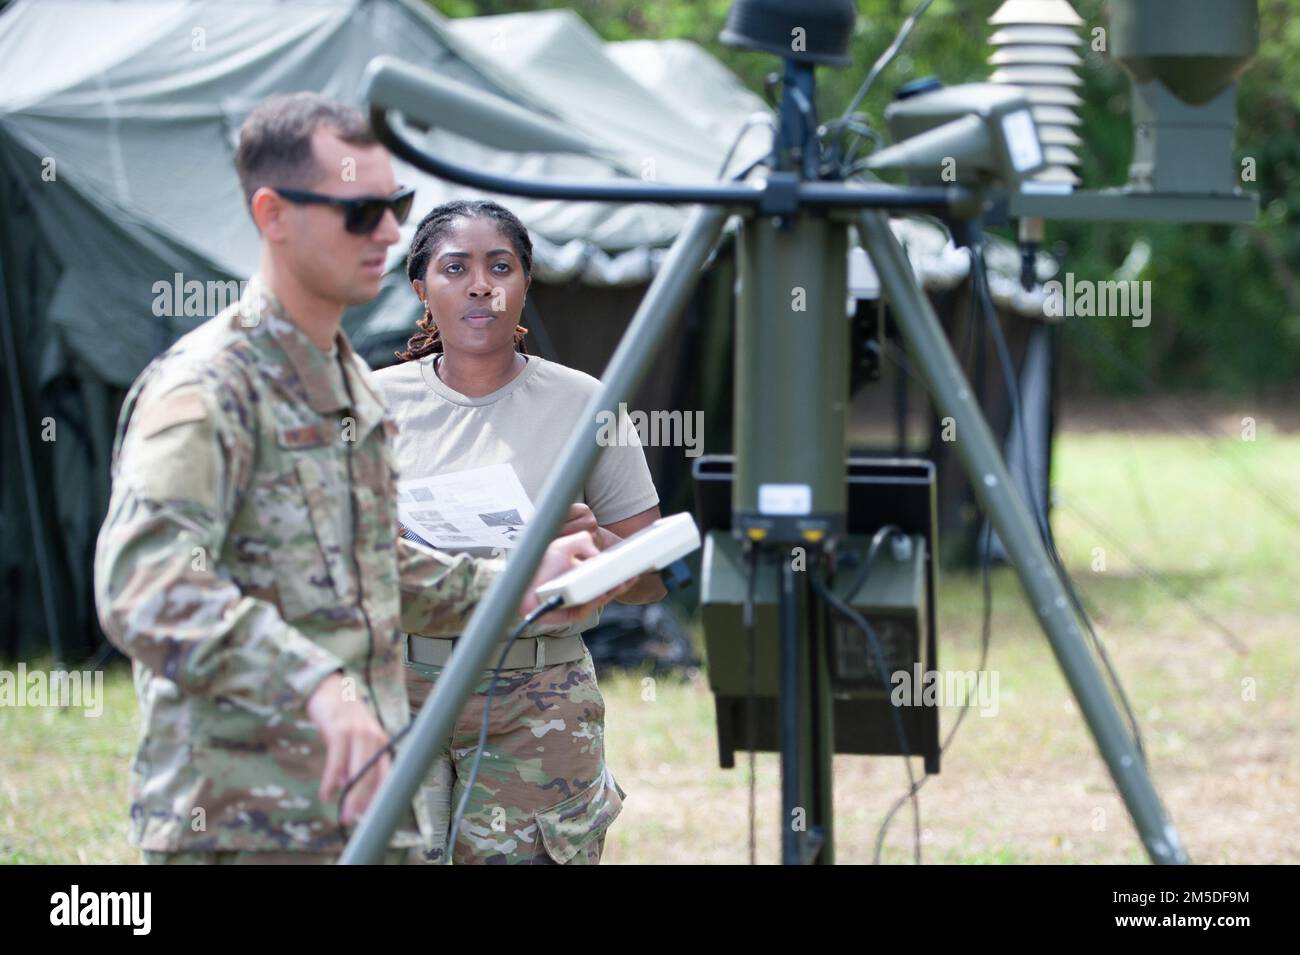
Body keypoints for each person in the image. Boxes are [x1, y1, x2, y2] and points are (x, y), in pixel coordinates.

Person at [93, 94, 617, 865]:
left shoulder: (348, 386)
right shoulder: (211, 387)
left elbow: (371, 562)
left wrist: (520, 580)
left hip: (359, 809)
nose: (389, 232)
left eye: (395, 205)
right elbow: (144, 582)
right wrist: (313, 684)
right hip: (243, 818)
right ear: (273, 214)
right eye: (359, 210)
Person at [374, 199, 667, 865]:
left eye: (500, 266)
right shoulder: (372, 403)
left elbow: (652, 579)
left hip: (537, 700)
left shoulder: (586, 403)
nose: (481, 284)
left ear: (525, 283)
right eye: (456, 268)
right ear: (422, 290)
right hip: (398, 689)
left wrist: (598, 547)